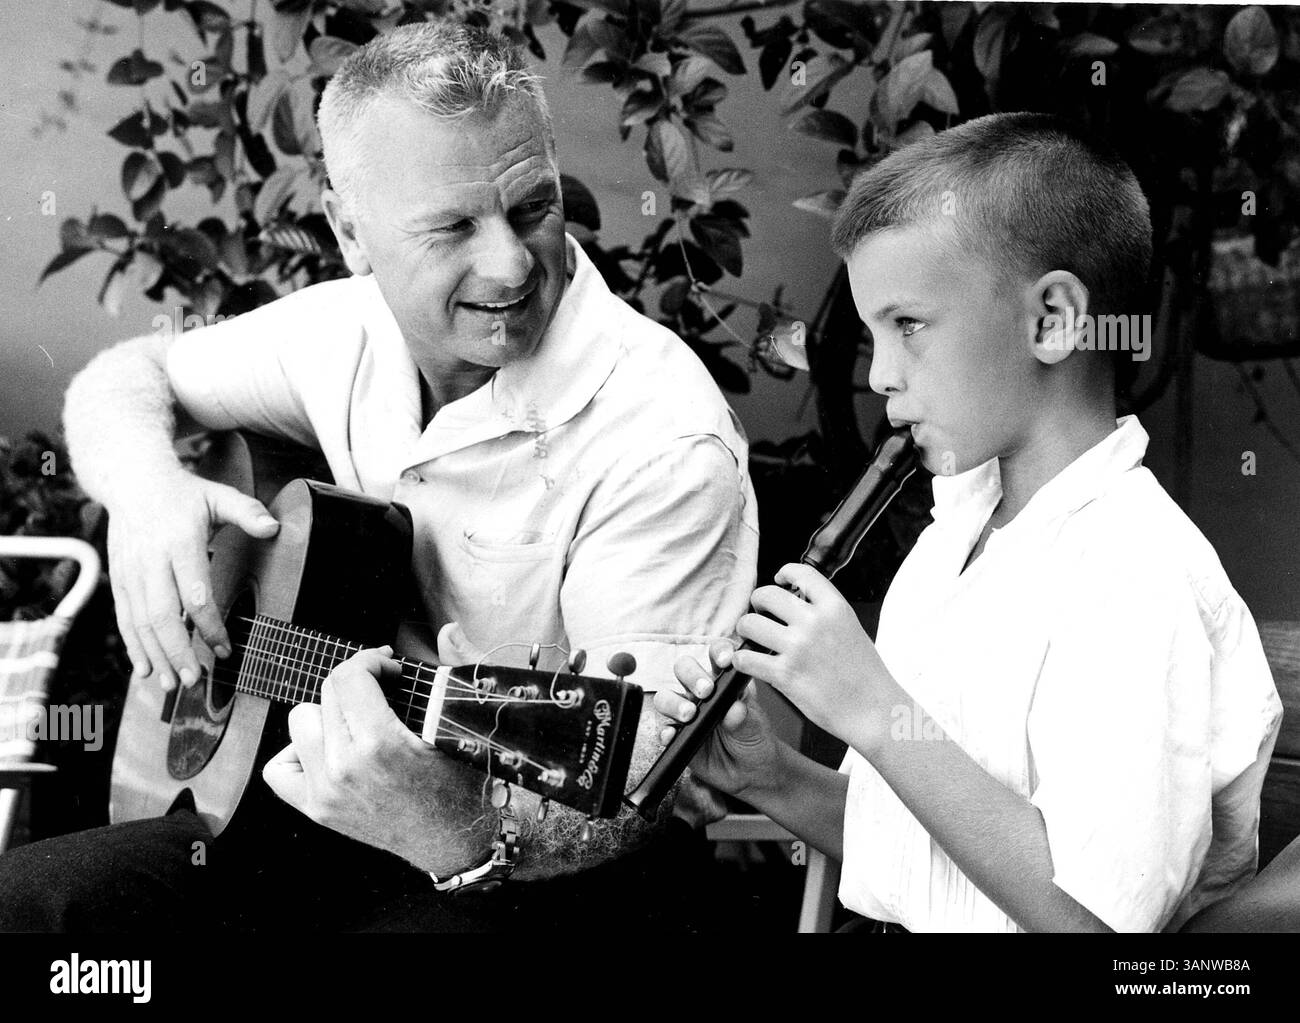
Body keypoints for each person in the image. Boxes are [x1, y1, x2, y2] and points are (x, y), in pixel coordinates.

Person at [0, 22, 758, 932]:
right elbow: (130, 378)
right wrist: (146, 493)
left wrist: (452, 825)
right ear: (350, 232)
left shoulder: (662, 436)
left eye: (532, 209)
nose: (511, 264)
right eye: (451, 228)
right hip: (309, 807)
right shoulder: (344, 329)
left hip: (541, 873)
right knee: (33, 908)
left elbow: (626, 796)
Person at [657, 112, 1283, 933]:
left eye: (908, 325)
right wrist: (769, 775)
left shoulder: (1134, 574)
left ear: (1053, 319)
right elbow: (929, 861)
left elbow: (1093, 923)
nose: (881, 373)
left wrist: (877, 711)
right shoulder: (955, 537)